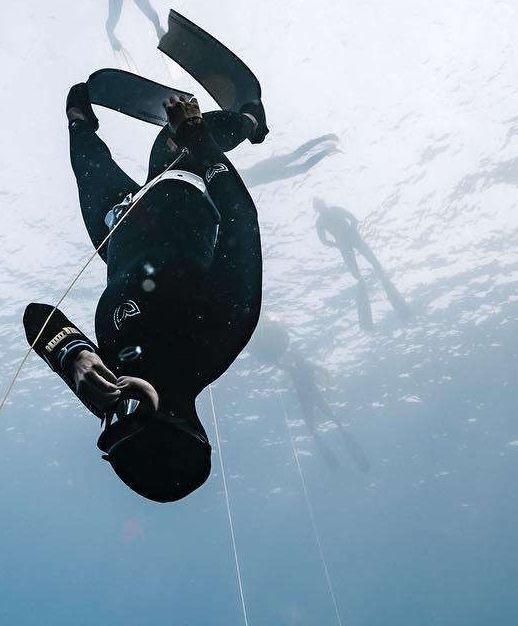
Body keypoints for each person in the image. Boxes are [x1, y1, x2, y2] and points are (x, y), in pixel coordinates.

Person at [25, 84, 266, 502]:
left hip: (116, 227)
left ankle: (81, 124)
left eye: (111, 428)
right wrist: (196, 136)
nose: (116, 411)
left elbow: (36, 316)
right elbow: (241, 220)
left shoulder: (105, 383)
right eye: (135, 417)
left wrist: (75, 356)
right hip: (181, 190)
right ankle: (250, 121)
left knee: (86, 159)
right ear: (174, 416)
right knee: (168, 142)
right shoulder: (218, 338)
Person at [249, 319, 368, 470]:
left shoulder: (295, 368)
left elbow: (283, 366)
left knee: (313, 425)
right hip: (314, 395)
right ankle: (339, 438)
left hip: (307, 397)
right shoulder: (302, 367)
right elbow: (324, 373)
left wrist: (269, 359)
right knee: (326, 420)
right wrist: (328, 386)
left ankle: (330, 444)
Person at [314, 197, 411, 327]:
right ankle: (372, 277)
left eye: (318, 205)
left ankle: (365, 279)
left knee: (363, 267)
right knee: (368, 264)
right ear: (321, 204)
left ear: (318, 207)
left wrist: (338, 243)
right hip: (349, 239)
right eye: (319, 205)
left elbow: (325, 240)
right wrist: (348, 234)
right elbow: (353, 219)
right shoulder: (329, 214)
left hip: (346, 241)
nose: (320, 207)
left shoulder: (322, 220)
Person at [241, 133, 339, 186]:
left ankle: (324, 139)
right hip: (269, 176)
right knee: (301, 165)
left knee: (296, 157)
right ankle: (327, 149)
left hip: (265, 170)